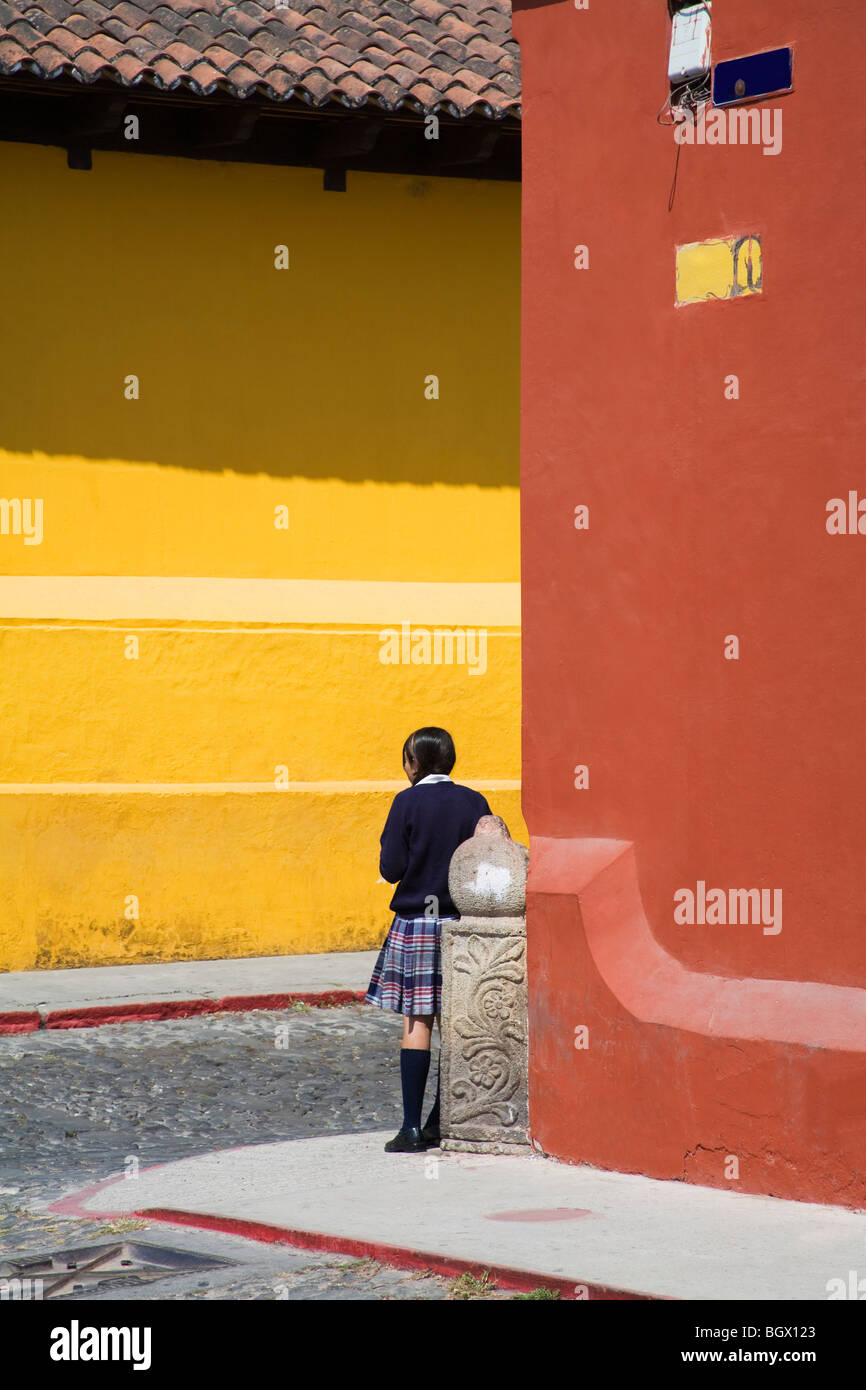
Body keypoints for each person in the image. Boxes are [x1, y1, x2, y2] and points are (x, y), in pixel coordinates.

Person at [365, 726, 491, 1152]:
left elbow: (391, 868)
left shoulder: (407, 802)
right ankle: (442, 1120)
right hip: (459, 925)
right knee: (454, 1025)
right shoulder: (474, 802)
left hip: (417, 923)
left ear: (414, 762)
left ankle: (411, 1129)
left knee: (417, 1023)